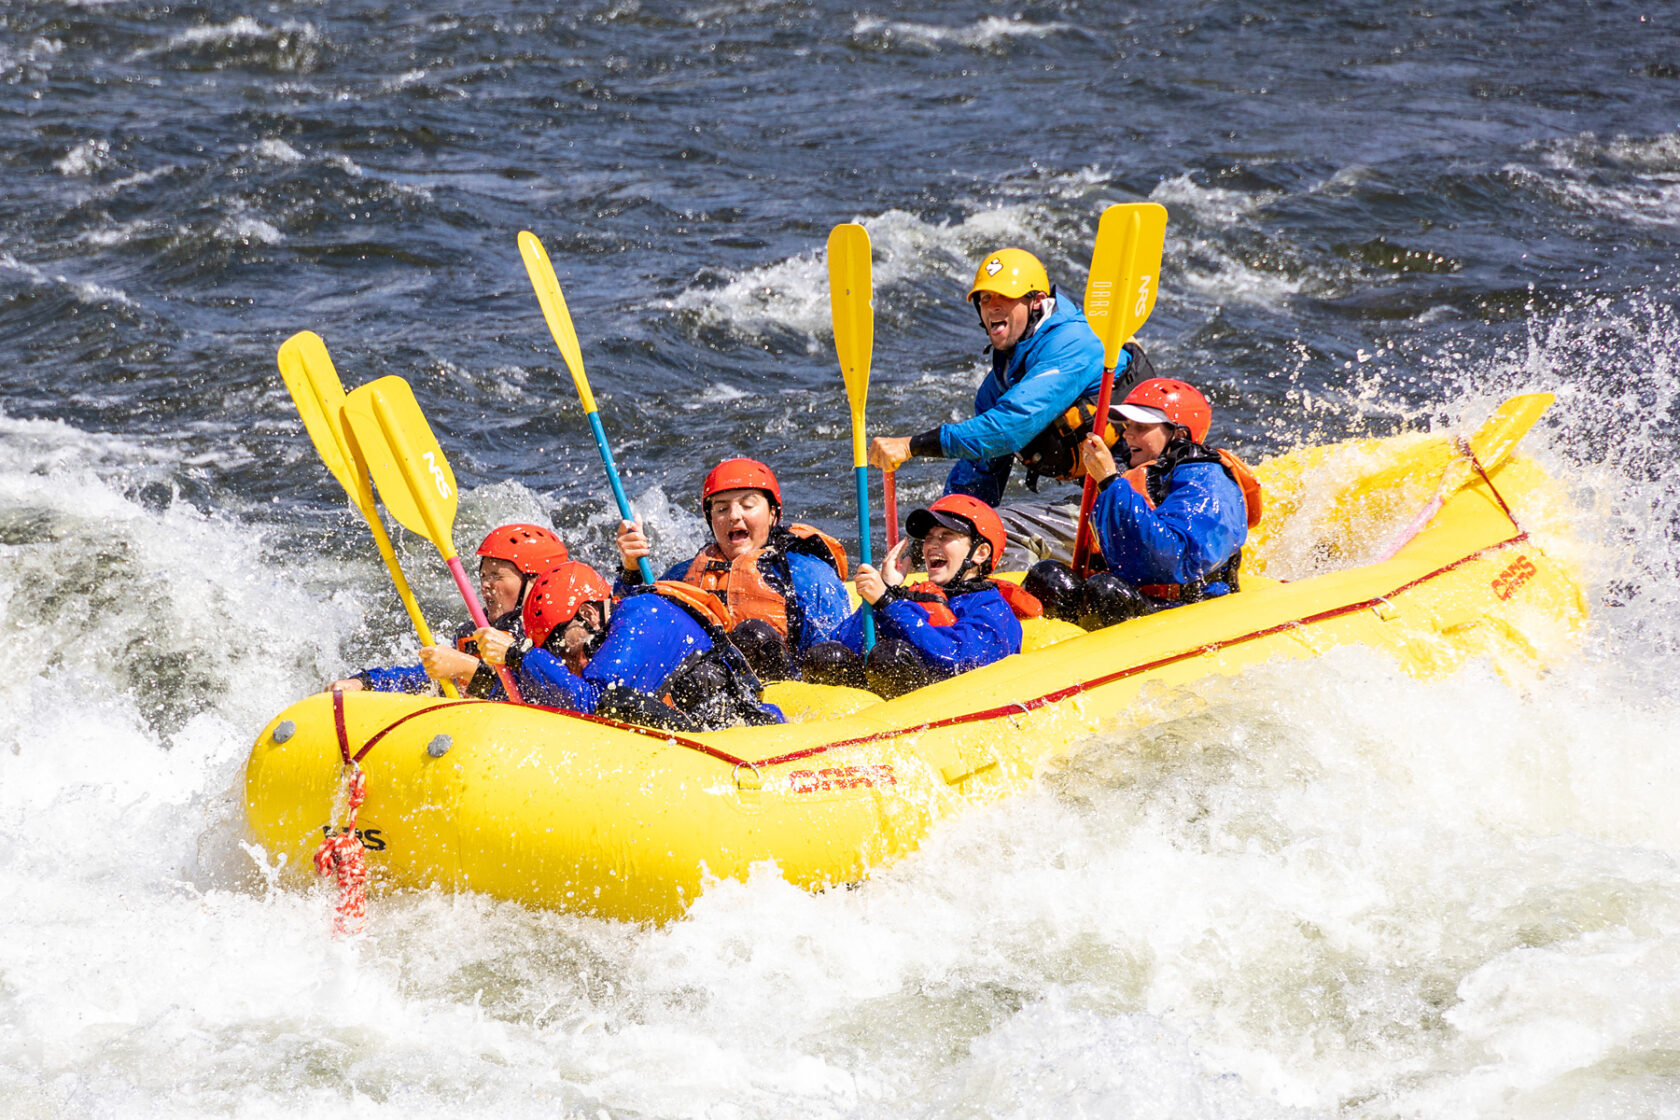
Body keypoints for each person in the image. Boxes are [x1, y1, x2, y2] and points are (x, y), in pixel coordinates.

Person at [865, 247, 1152, 565]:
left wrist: (912, 445)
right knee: (972, 536)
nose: (993, 306)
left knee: (1000, 534)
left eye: (1006, 296)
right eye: (985, 298)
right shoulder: (999, 383)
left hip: (1140, 495)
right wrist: (937, 535)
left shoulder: (1075, 342)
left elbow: (1008, 427)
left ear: (1037, 300)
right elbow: (977, 477)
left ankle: (1011, 612)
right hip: (1097, 496)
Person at [1035, 377, 1261, 629]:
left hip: (1192, 609)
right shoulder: (1144, 473)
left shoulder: (1207, 480)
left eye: (1141, 427)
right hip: (1144, 596)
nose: (1127, 433)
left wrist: (1110, 481)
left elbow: (1171, 559)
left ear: (1179, 434)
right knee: (1048, 577)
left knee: (1106, 592)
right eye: (1129, 424)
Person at [474, 561, 784, 731]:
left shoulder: (642, 617)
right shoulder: (604, 634)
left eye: (560, 644)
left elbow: (592, 705)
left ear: (588, 613)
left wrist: (519, 655)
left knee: (617, 703)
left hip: (746, 736)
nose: (563, 658)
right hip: (700, 736)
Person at [614, 457, 850, 681]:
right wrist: (631, 568)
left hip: (787, 691)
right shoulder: (685, 576)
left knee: (754, 636)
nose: (734, 516)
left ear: (773, 515)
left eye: (747, 505)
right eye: (721, 509)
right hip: (711, 689)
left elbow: (832, 657)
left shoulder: (807, 575)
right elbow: (630, 624)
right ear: (711, 520)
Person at [803, 495, 1034, 699]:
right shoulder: (914, 597)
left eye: (946, 535)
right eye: (929, 537)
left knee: (890, 658)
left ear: (980, 553)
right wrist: (887, 590)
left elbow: (956, 659)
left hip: (949, 707)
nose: (932, 544)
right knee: (826, 656)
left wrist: (887, 601)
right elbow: (844, 642)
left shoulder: (993, 609)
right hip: (881, 709)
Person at [330, 523, 568, 696]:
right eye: (483, 575)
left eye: (497, 576)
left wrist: (468, 669)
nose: (485, 584)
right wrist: (365, 683)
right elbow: (425, 678)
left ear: (536, 582)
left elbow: (539, 700)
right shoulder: (473, 634)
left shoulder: (558, 638)